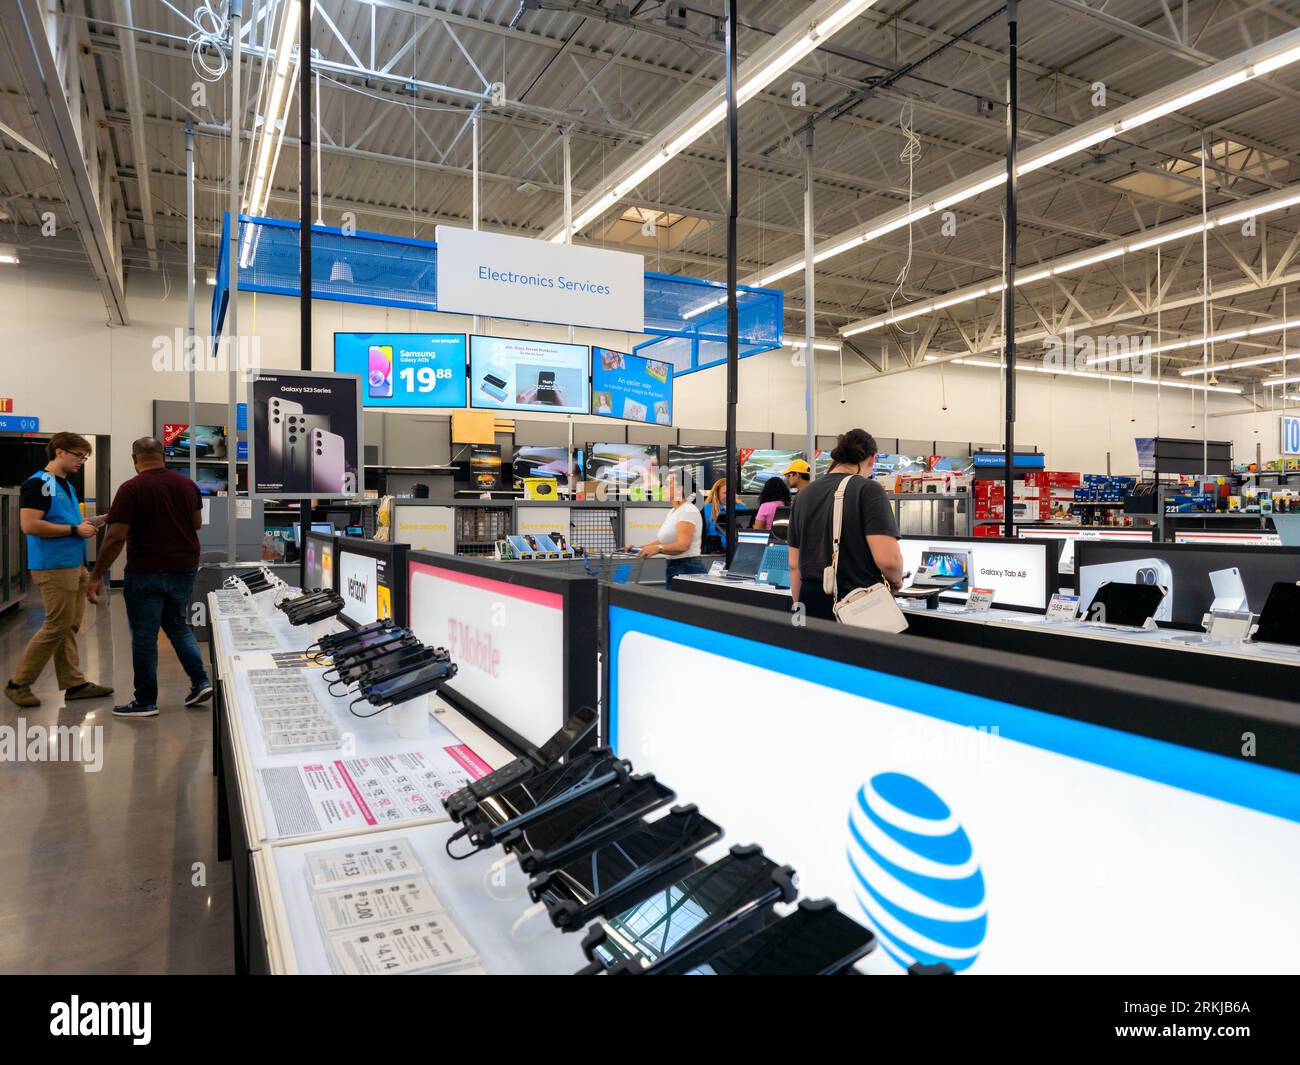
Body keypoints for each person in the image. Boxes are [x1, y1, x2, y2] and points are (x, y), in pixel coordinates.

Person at [87, 437, 213, 718]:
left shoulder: (131, 488)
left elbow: (116, 537)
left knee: (144, 635)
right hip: (184, 566)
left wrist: (96, 574)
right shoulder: (187, 485)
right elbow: (195, 524)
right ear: (163, 456)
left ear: (135, 459)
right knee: (178, 625)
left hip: (146, 570)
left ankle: (145, 700)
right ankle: (201, 682)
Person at [4, 433, 114, 708]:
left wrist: (93, 521)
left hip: (73, 563)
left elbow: (64, 521)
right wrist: (75, 529)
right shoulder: (39, 484)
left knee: (69, 625)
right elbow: (30, 525)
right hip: (54, 565)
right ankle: (19, 684)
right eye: (78, 455)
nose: (81, 461)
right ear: (60, 451)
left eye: (84, 457)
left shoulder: (65, 485)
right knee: (56, 626)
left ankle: (74, 683)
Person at [788, 429, 904, 623]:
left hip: (811, 604)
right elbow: (888, 560)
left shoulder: (803, 496)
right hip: (857, 606)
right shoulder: (868, 490)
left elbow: (794, 565)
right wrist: (897, 580)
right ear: (872, 459)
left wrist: (799, 613)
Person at [626, 470, 705, 589]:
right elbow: (663, 541)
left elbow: (683, 545)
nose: (663, 487)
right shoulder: (673, 511)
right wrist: (640, 548)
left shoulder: (688, 510)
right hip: (675, 567)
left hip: (688, 569)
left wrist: (658, 548)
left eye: (668, 484)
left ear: (680, 488)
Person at [755, 459, 811, 529]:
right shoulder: (807, 493)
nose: (787, 479)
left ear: (796, 475)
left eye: (788, 476)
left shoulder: (804, 496)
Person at [701, 477, 747, 553]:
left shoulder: (742, 508)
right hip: (716, 550)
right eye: (725, 493)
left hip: (738, 550)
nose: (729, 495)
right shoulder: (708, 508)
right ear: (717, 493)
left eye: (731, 492)